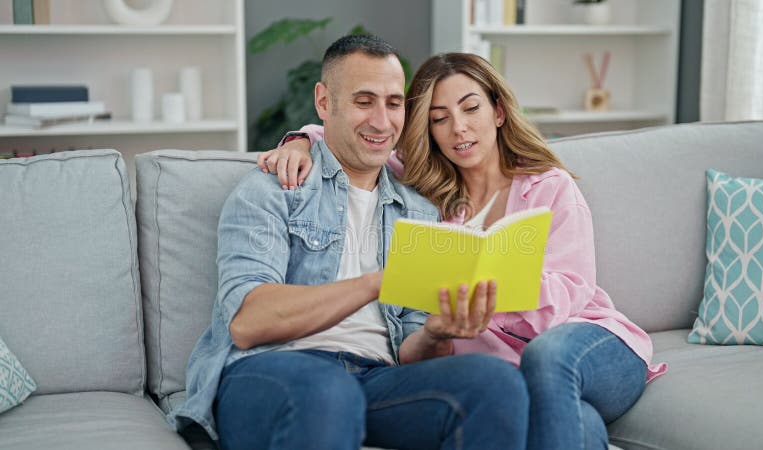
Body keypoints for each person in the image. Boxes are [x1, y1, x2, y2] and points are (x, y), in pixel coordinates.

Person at [259, 52, 668, 450]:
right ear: (428, 130)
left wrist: (489, 289)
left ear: (498, 112)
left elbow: (571, 293)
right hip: (511, 372)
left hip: (588, 343)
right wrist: (300, 142)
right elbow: (354, 139)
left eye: (471, 108)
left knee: (547, 358)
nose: (458, 128)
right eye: (440, 118)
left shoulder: (549, 186)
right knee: (578, 420)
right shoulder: (424, 194)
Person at [170, 36, 530, 450]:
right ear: (324, 102)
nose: (382, 122)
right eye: (364, 101)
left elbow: (414, 350)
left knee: (495, 382)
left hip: (377, 380)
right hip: (272, 371)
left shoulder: (419, 210)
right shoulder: (274, 189)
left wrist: (436, 334)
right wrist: (376, 282)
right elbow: (249, 322)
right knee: (327, 391)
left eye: (394, 103)